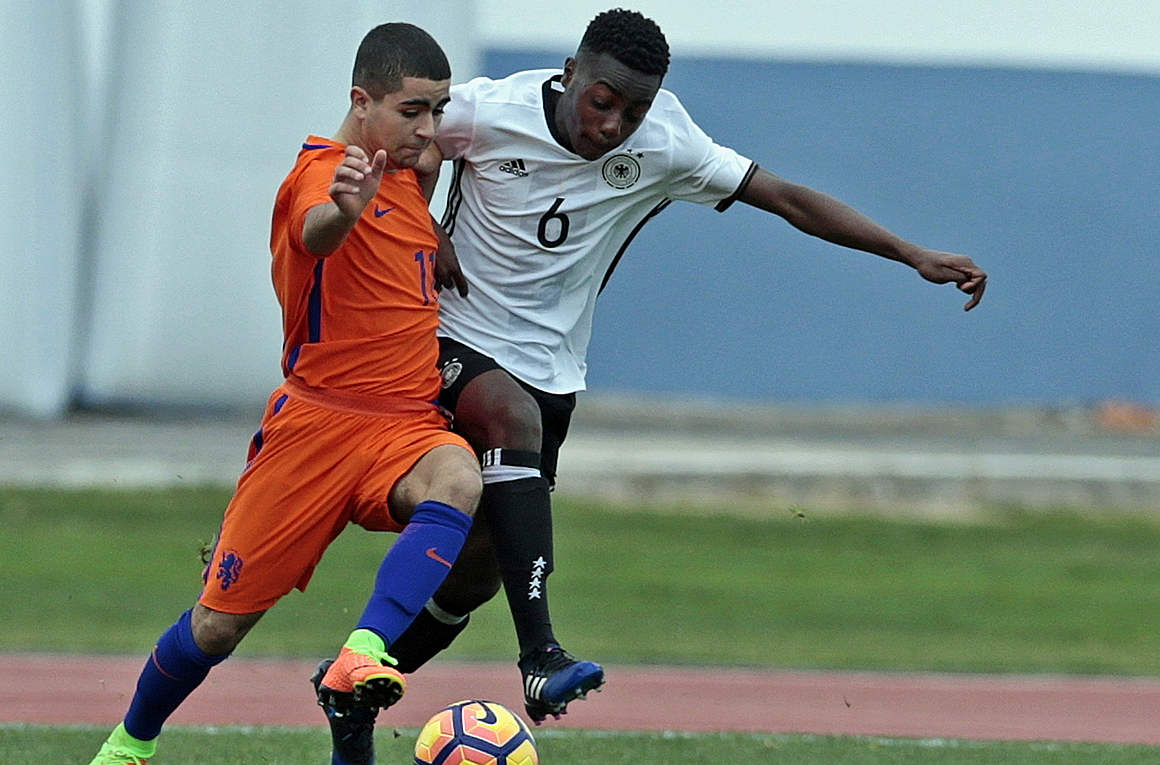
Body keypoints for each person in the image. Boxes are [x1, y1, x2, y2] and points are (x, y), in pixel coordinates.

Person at [388, 1, 989, 735]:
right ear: (570, 72)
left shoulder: (667, 139)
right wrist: (419, 224)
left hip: (552, 368)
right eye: (601, 101)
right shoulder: (488, 109)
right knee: (508, 423)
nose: (611, 125)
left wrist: (909, 253)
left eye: (631, 113)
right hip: (454, 342)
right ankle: (541, 654)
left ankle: (360, 682)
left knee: (480, 569)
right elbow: (393, 142)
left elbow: (788, 199)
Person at [86, 22, 479, 765]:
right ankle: (129, 742)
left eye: (438, 109)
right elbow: (319, 230)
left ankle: (361, 650)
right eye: (412, 111)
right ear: (361, 102)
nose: (428, 129)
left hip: (402, 427)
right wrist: (347, 209)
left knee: (458, 478)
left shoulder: (409, 166)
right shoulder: (323, 174)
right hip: (315, 431)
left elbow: (435, 155)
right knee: (216, 628)